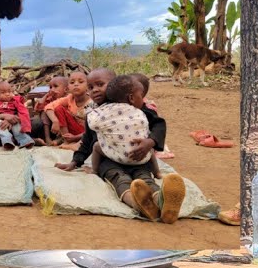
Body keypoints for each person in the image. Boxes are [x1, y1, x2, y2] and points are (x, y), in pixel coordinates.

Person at [56, 68, 182, 223]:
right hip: (110, 160)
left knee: (144, 179)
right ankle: (143, 204)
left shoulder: (134, 105)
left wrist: (150, 142)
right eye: (91, 87)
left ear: (114, 84)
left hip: (138, 155)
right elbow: (87, 140)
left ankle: (165, 204)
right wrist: (75, 161)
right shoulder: (94, 113)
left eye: (100, 84)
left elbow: (158, 124)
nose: (94, 90)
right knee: (121, 180)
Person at [86, 74, 160, 213]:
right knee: (146, 179)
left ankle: (136, 203)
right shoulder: (140, 113)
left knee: (120, 181)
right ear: (131, 98)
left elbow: (92, 124)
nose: (95, 90)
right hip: (140, 157)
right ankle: (159, 197)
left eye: (100, 85)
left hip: (114, 157)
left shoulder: (101, 112)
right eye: (141, 96)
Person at [0, 80, 34, 149]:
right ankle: (7, 141)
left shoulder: (14, 101)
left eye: (9, 92)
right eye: (3, 92)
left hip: (13, 120)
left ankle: (25, 141)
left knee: (17, 127)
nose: (7, 94)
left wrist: (23, 123)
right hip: (0, 121)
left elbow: (23, 112)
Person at [42, 71, 89, 145]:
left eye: (81, 82)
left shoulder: (92, 101)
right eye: (72, 82)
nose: (76, 84)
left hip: (88, 133)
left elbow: (94, 128)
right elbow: (48, 107)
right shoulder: (70, 98)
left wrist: (76, 137)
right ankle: (66, 139)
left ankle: (74, 142)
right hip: (73, 130)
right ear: (68, 88)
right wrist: (55, 121)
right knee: (59, 109)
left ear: (88, 86)